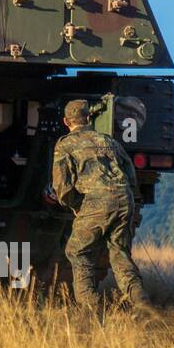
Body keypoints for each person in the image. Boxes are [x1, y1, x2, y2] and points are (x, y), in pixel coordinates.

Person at [51, 99, 151, 310]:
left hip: (96, 201)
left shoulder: (65, 145)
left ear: (65, 121)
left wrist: (76, 205)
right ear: (89, 118)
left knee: (78, 252)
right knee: (119, 254)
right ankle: (143, 305)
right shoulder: (109, 141)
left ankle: (91, 310)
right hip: (125, 199)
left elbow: (62, 187)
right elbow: (130, 175)